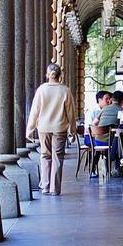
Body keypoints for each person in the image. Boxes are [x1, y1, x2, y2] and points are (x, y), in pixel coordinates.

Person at [26, 62, 77, 196]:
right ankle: (55, 188)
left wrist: (30, 129)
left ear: (48, 75)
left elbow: (34, 111)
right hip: (59, 128)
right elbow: (71, 113)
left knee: (45, 155)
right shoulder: (65, 90)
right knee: (57, 157)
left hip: (43, 128)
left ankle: (46, 186)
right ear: (60, 75)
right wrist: (72, 130)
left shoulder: (41, 90)